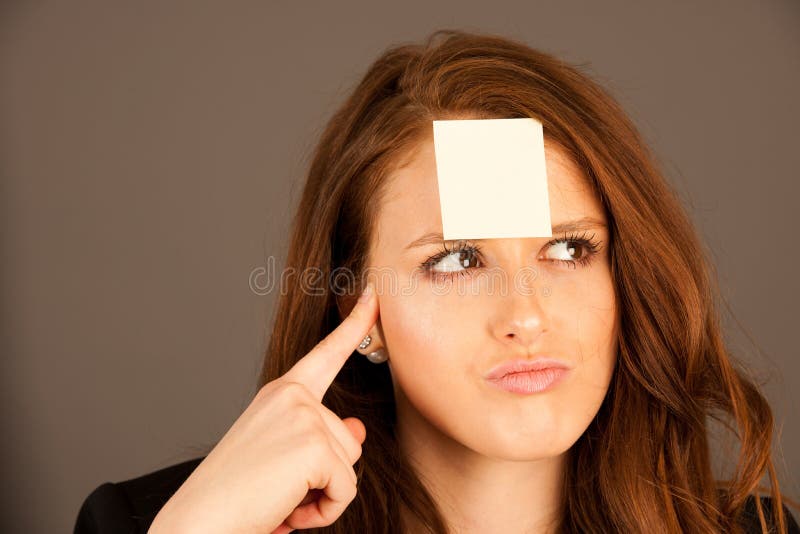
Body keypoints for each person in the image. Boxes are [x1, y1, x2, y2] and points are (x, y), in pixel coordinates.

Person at [74, 29, 799, 533]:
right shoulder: (161, 524)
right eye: (455, 260)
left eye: (569, 250)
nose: (526, 317)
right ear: (363, 311)